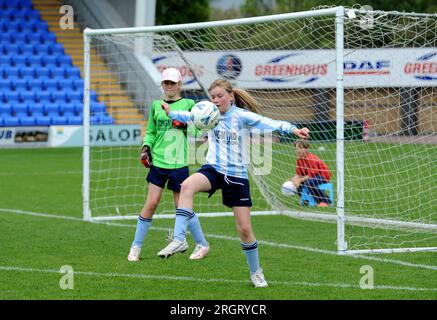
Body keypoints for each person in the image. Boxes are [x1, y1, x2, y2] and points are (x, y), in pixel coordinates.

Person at [157, 78, 310, 287]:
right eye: (213, 97)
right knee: (186, 186)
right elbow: (189, 116)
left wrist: (293, 130)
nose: (216, 100)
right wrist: (170, 112)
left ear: (231, 96)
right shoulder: (209, 113)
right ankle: (180, 239)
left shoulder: (241, 116)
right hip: (212, 169)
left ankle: (256, 273)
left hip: (236, 176)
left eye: (220, 96)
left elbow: (269, 123)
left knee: (245, 230)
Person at [127, 67, 210, 262]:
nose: (169, 86)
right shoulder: (156, 105)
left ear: (180, 84)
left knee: (181, 206)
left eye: (173, 83)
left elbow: (199, 133)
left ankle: (202, 243)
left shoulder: (189, 104)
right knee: (151, 203)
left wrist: (185, 125)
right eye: (166, 83)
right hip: (158, 162)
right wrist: (146, 147)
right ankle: (135, 247)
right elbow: (151, 131)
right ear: (162, 84)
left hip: (179, 164)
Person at [290, 139, 332, 207]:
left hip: (322, 176)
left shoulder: (311, 158)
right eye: (296, 149)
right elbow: (299, 174)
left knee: (310, 183)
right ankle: (307, 200)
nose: (298, 150)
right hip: (312, 176)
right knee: (297, 184)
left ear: (306, 149)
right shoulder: (299, 160)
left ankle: (325, 201)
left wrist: (299, 180)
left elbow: (312, 175)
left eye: (300, 148)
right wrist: (294, 180)